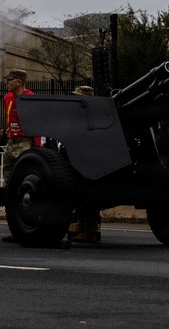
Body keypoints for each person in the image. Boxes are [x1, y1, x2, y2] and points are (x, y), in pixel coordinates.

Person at [68, 85, 102, 244]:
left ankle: (90, 230)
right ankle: (85, 228)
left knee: (88, 196)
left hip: (88, 160)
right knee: (82, 196)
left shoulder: (91, 115)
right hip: (82, 158)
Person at [2, 69, 34, 183]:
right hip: (11, 140)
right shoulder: (7, 97)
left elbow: (35, 122)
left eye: (9, 80)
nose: (7, 83)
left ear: (18, 82)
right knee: (7, 171)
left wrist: (37, 144)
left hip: (25, 141)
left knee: (23, 173)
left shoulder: (30, 97)